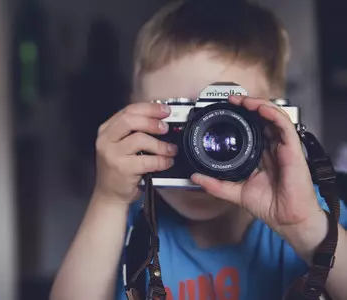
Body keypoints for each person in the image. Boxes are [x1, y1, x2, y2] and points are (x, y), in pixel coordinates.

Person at [50, 1, 347, 299]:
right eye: (179, 120)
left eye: (226, 123)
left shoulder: (308, 211)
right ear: (134, 116)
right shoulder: (128, 225)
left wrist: (306, 229)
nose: (201, 151)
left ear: (274, 118)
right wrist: (109, 198)